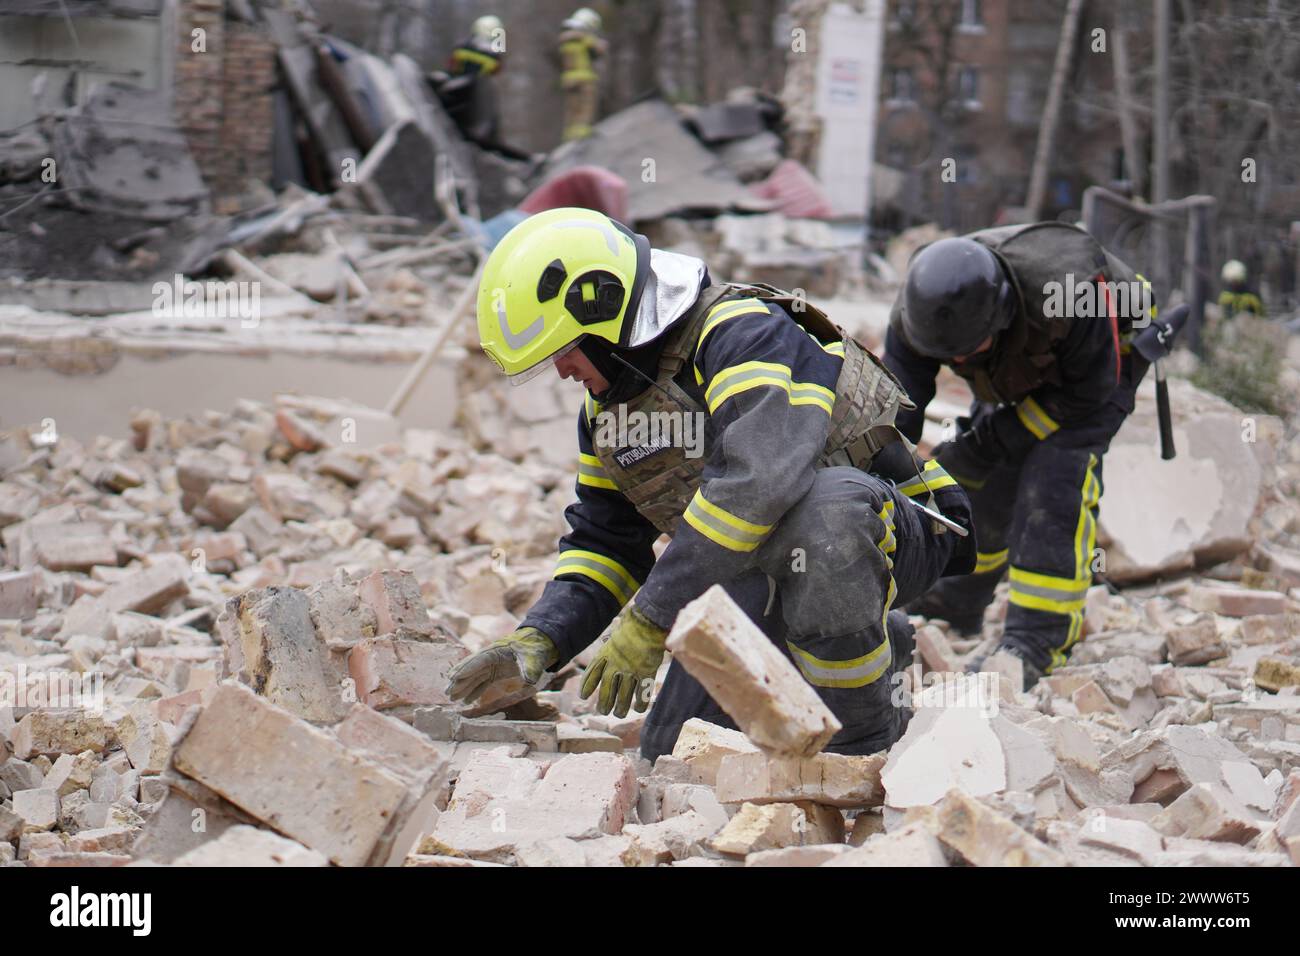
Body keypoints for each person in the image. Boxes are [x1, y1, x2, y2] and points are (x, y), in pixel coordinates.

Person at [446, 207, 974, 761]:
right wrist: (542, 638)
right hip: (763, 562)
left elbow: (760, 482)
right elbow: (605, 544)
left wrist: (651, 618)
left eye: (563, 352)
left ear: (600, 310)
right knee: (675, 756)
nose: (561, 372)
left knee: (822, 516)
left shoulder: (741, 333)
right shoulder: (609, 411)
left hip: (900, 531)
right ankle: (864, 637)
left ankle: (866, 743)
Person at [884, 223, 1157, 689]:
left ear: (1002, 315)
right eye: (955, 360)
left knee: (1052, 480)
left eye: (972, 353)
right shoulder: (921, 316)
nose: (963, 365)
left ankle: (1037, 641)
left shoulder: (1070, 293)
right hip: (1024, 356)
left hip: (1104, 355)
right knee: (981, 480)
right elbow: (897, 413)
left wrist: (991, 439)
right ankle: (958, 599)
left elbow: (1087, 396)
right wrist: (885, 478)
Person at [556, 8, 607, 142]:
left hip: (568, 79)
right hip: (584, 79)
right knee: (584, 109)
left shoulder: (565, 40)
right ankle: (581, 137)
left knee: (571, 111)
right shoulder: (583, 38)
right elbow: (599, 49)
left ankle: (569, 138)